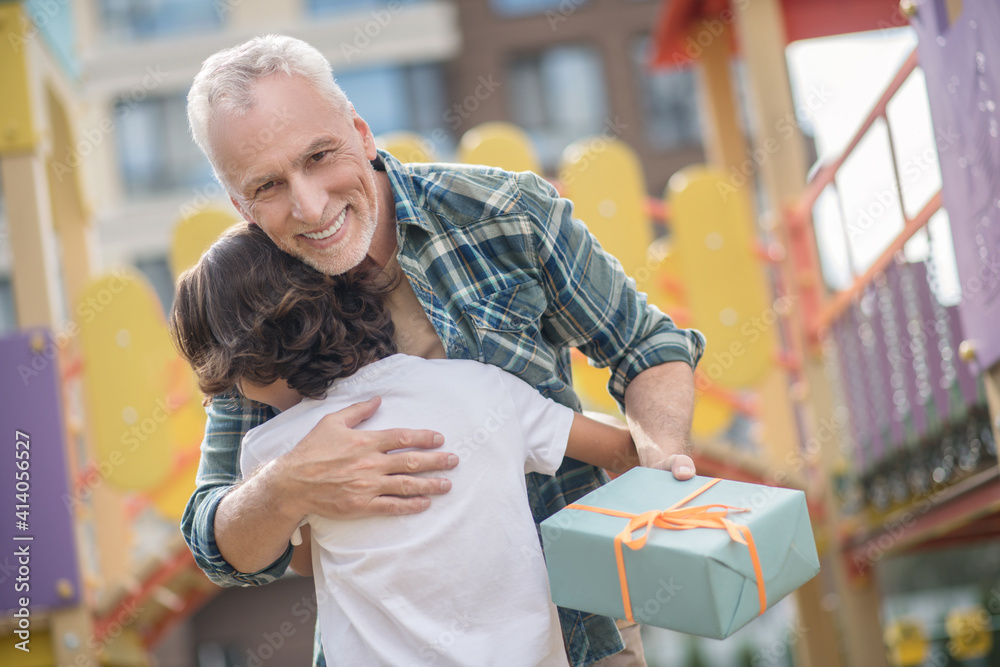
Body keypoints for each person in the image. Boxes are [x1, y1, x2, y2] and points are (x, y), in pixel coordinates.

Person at [182, 34, 705, 666]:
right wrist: (289, 487)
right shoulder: (257, 298)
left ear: (362, 132)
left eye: (320, 156)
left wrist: (662, 464)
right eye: (267, 186)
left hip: (572, 634)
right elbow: (218, 542)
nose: (310, 205)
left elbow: (645, 345)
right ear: (239, 205)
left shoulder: (504, 212)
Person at [171, 222, 643, 665]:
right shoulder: (484, 385)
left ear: (249, 365)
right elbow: (619, 449)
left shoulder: (274, 450)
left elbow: (306, 563)